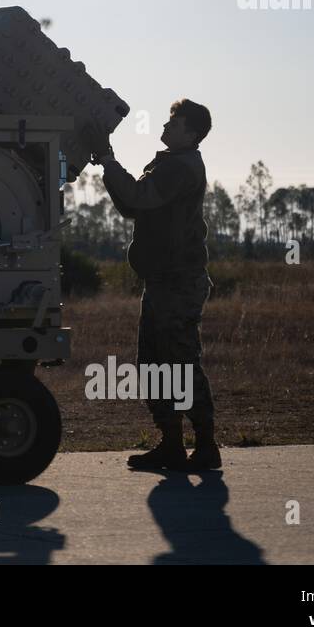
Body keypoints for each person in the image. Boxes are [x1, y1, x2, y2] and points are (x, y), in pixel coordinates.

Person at [83, 99, 221, 472]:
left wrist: (109, 160)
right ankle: (173, 444)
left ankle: (205, 445)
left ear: (192, 134)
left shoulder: (179, 167)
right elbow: (133, 207)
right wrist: (108, 163)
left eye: (175, 124)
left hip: (177, 282)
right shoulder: (171, 164)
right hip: (165, 280)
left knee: (179, 363)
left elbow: (137, 197)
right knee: (156, 364)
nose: (167, 126)